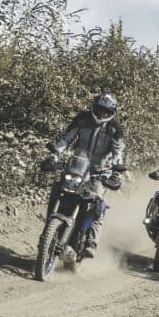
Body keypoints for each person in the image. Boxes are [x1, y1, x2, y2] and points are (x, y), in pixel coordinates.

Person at [41, 93, 125, 257]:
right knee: (57, 188)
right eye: (100, 110)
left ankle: (90, 242)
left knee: (97, 204)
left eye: (106, 112)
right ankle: (48, 229)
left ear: (112, 113)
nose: (102, 114)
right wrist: (54, 156)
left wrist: (116, 173)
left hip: (99, 173)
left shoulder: (115, 128)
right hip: (76, 167)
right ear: (94, 107)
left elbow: (118, 151)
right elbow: (66, 138)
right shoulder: (82, 119)